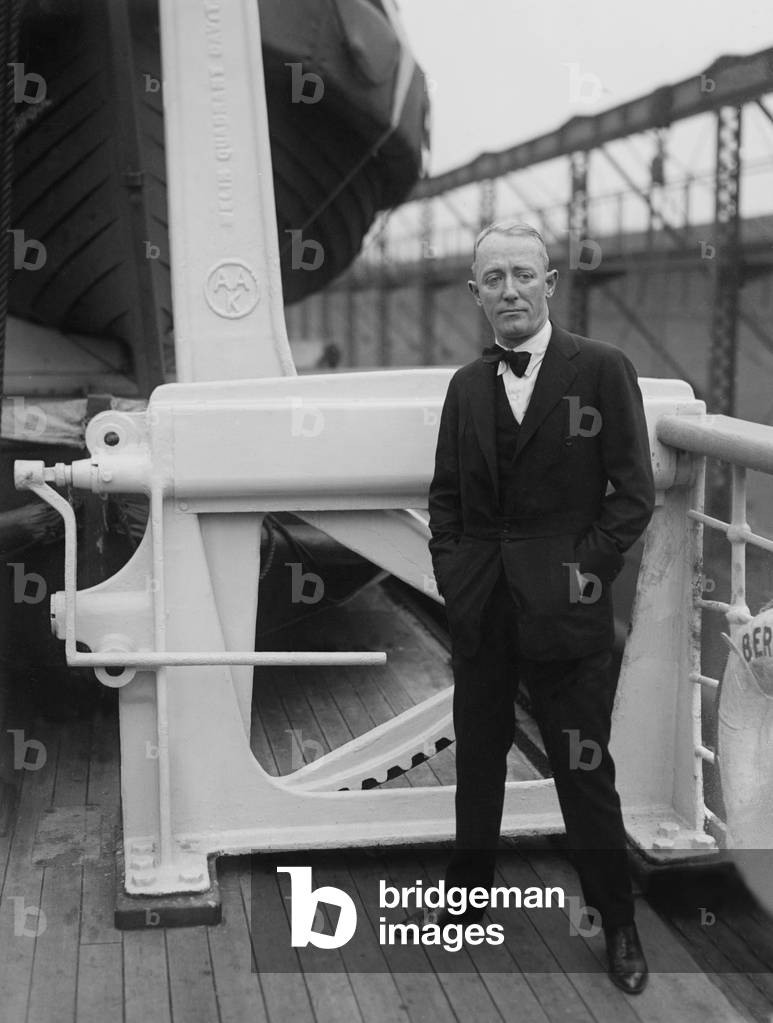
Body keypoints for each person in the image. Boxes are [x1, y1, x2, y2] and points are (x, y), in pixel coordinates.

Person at [425, 220, 655, 994]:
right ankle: (467, 897)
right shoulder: (465, 387)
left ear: (550, 284)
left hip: (567, 611)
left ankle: (617, 922)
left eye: (524, 274)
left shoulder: (600, 369)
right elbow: (446, 500)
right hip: (482, 607)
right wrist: (457, 578)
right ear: (475, 294)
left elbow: (632, 495)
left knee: (582, 769)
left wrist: (580, 573)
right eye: (494, 279)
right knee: (478, 760)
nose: (510, 290)